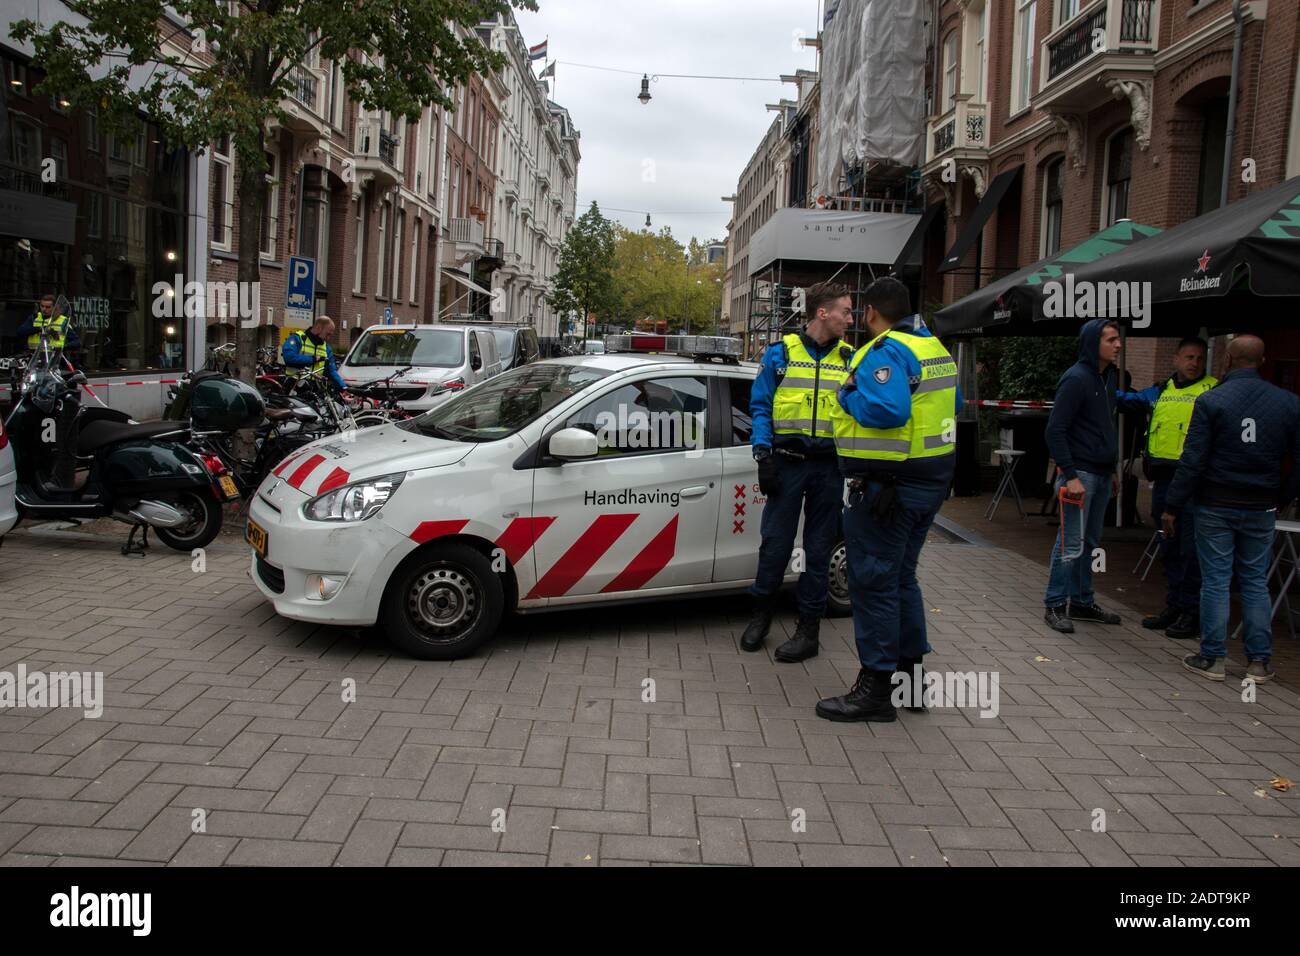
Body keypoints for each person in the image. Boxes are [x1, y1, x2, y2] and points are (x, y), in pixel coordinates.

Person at [816, 277, 959, 723]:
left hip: (888, 490)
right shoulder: (932, 348)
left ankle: (875, 690)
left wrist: (848, 394)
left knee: (874, 583)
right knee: (901, 579)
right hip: (927, 484)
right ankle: (910, 683)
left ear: (871, 312)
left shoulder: (885, 351)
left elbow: (888, 411)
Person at [1163, 335, 1300, 683]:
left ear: (1227, 360)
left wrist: (1173, 504)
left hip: (1216, 503)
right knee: (1255, 581)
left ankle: (1213, 658)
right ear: (1263, 360)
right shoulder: (1288, 403)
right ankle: (1258, 662)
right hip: (1262, 505)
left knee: (1216, 580)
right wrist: (1282, 495)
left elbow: (1192, 460)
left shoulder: (1211, 401)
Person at [742, 281, 855, 661]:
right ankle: (760, 617)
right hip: (787, 464)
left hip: (828, 469)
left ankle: (809, 630)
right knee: (775, 545)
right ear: (823, 313)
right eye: (846, 311)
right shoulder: (780, 355)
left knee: (818, 550)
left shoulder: (849, 359)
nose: (850, 319)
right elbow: (760, 406)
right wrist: (763, 456)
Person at [1117, 337, 1217, 639]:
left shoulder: (1212, 390)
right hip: (1163, 479)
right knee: (1168, 545)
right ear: (1176, 359)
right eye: (1189, 357)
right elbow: (1127, 399)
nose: (1194, 363)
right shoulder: (1161, 390)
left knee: (1191, 550)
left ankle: (1191, 611)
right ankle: (1174, 605)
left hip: (1194, 483)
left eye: (1199, 358)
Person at [1042, 319, 1124, 634]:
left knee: (1089, 542)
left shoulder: (1109, 378)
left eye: (1118, 339)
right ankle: (1054, 603)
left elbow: (1104, 427)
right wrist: (1071, 474)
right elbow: (1055, 429)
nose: (1118, 345)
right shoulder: (1076, 379)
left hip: (1101, 474)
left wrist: (1112, 469)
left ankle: (1081, 601)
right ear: (1094, 343)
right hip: (1081, 475)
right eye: (1111, 339)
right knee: (1070, 542)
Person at [283, 315, 347, 392]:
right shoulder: (297, 338)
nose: (328, 338)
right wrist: (313, 359)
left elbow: (331, 371)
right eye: (327, 334)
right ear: (319, 328)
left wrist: (344, 388)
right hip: (294, 385)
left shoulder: (326, 348)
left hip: (315, 388)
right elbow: (289, 357)